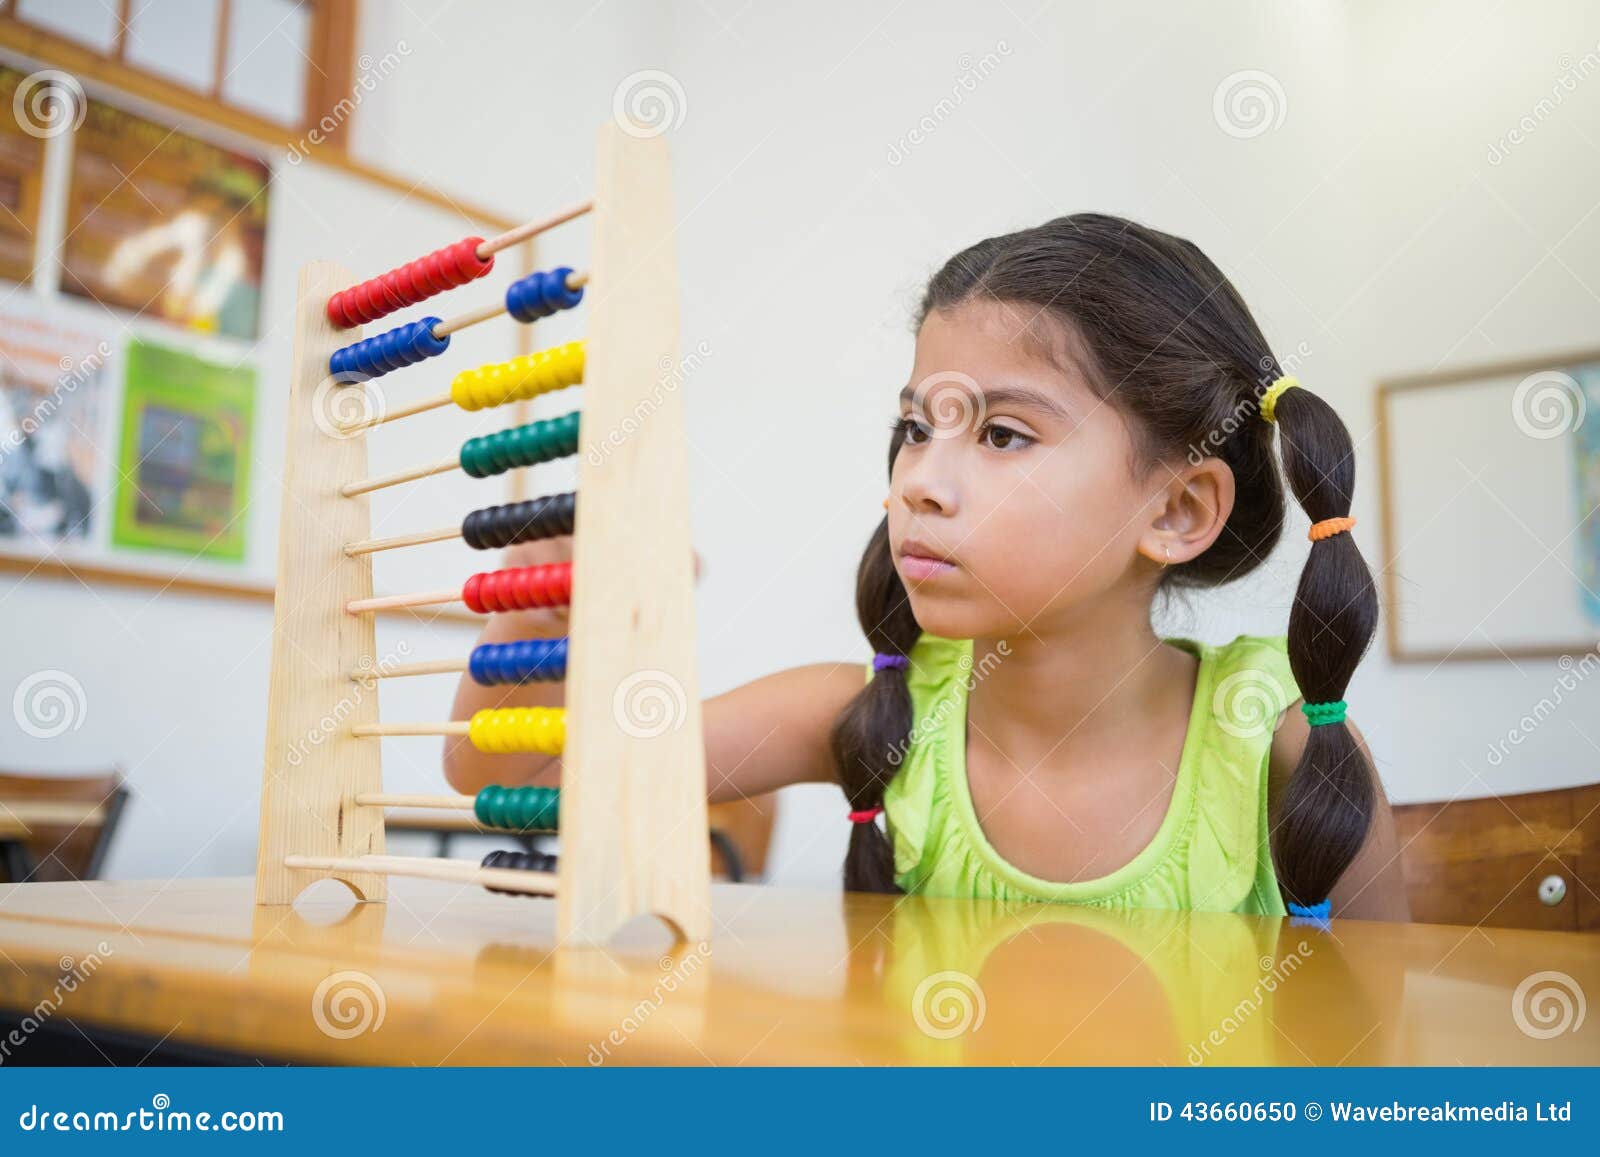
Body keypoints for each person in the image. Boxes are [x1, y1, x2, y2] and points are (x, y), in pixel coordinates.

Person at [445, 212, 1410, 922]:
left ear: (1177, 508)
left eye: (1001, 432)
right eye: (916, 427)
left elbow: (1374, 1064)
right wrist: (536, 618)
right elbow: (532, 770)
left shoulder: (1285, 744)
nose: (921, 482)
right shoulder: (864, 715)